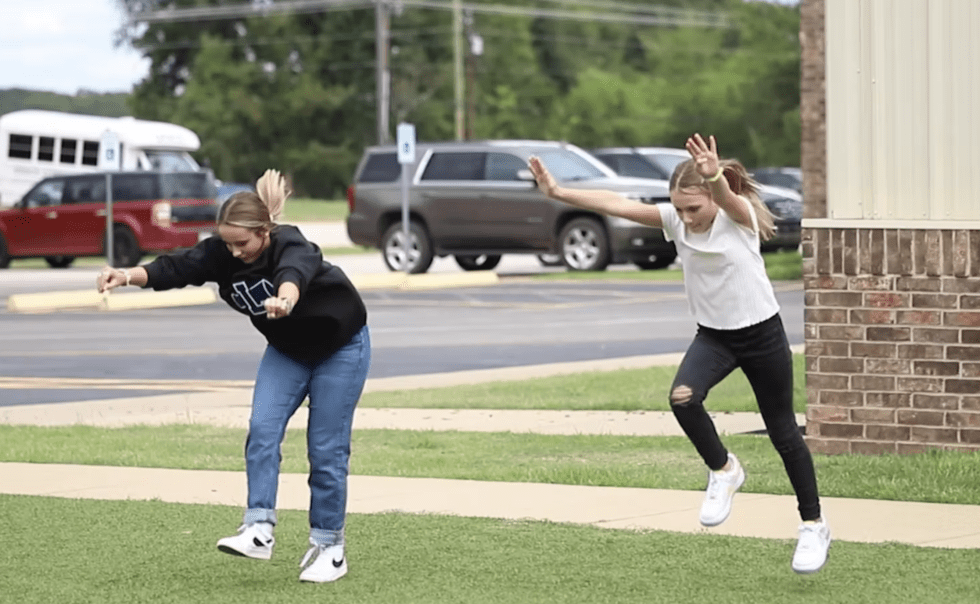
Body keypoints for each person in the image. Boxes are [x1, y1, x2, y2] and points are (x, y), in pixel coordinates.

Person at [528, 134, 830, 574]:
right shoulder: (674, 219)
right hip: (715, 337)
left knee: (783, 432)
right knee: (683, 398)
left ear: (712, 197)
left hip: (762, 335)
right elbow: (614, 203)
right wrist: (558, 192)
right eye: (679, 209)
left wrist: (716, 180)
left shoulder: (737, 217)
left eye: (694, 208)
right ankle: (725, 470)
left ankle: (813, 525)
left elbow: (727, 197)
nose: (685, 219)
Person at [96, 169, 371, 583]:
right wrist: (127, 275)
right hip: (288, 351)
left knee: (326, 450)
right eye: (228, 242)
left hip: (341, 348)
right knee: (262, 429)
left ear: (264, 232)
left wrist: (285, 298)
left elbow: (294, 270)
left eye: (242, 243)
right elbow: (178, 267)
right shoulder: (224, 253)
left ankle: (330, 546)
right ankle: (259, 528)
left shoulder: (289, 242)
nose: (235, 252)